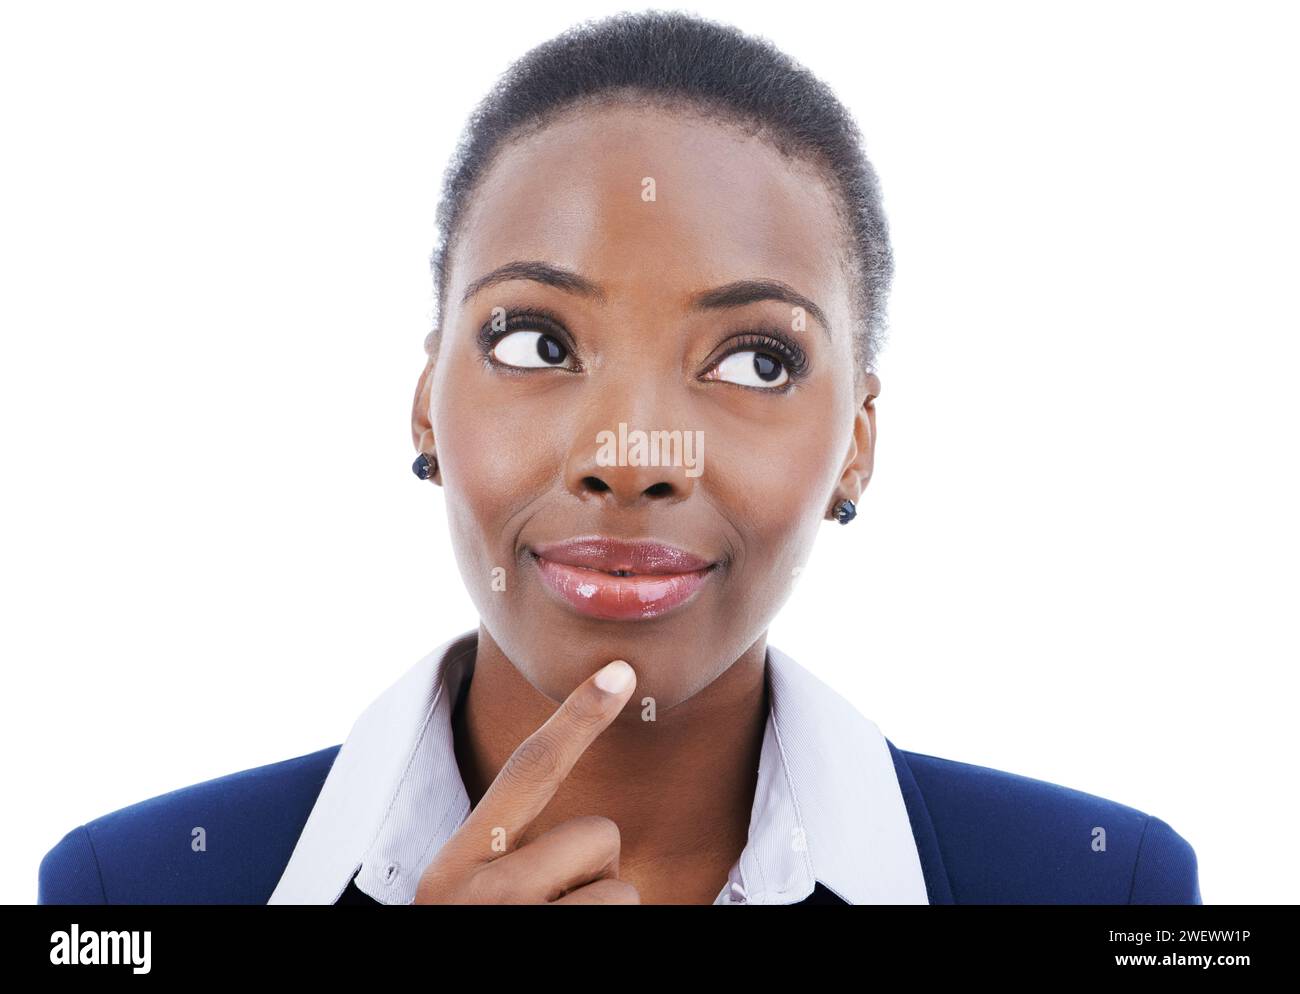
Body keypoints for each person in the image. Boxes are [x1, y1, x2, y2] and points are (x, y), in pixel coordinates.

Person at [38, 10, 1200, 906]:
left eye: (753, 360)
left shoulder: (1103, 884)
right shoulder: (130, 888)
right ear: (425, 405)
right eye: (536, 340)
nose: (627, 454)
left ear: (856, 444)